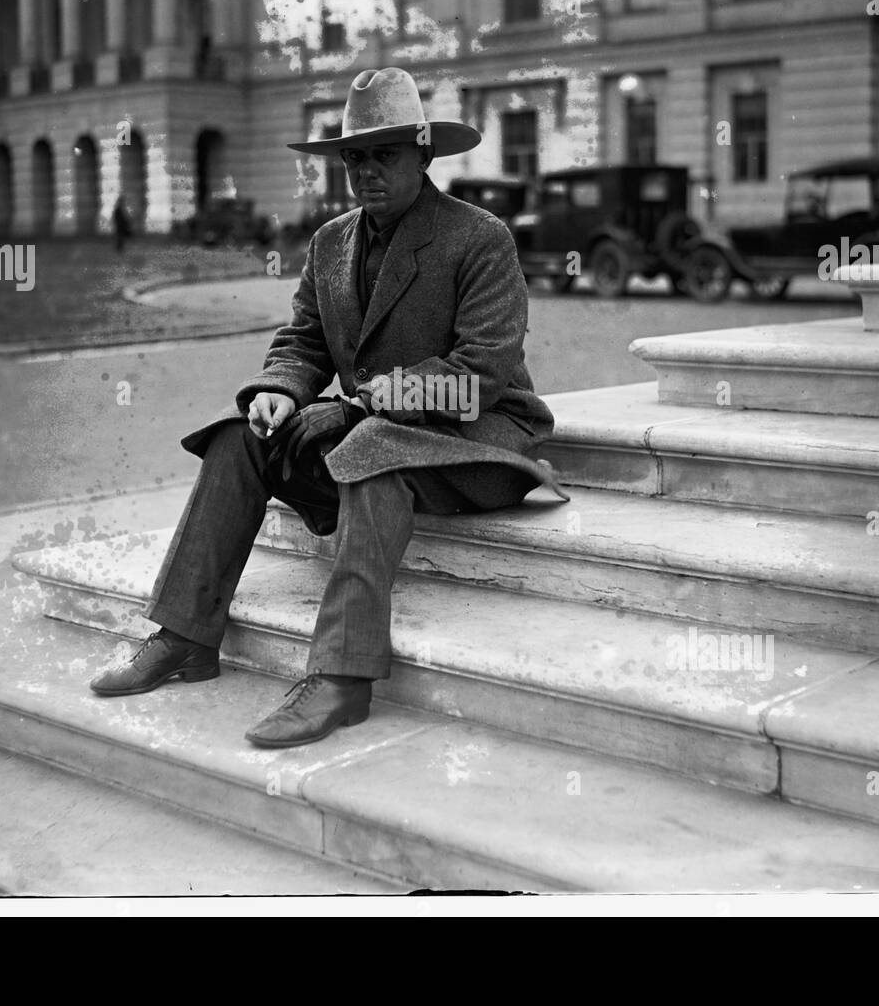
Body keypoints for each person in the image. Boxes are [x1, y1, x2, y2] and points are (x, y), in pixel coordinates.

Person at [89, 67, 567, 748]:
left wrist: (353, 408)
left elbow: (477, 376)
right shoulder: (330, 242)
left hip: (479, 444)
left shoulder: (479, 237)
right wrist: (282, 392)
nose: (368, 170)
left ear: (425, 155)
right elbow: (304, 341)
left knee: (372, 448)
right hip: (376, 437)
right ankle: (184, 637)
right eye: (355, 156)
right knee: (237, 436)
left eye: (386, 154)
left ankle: (342, 681)